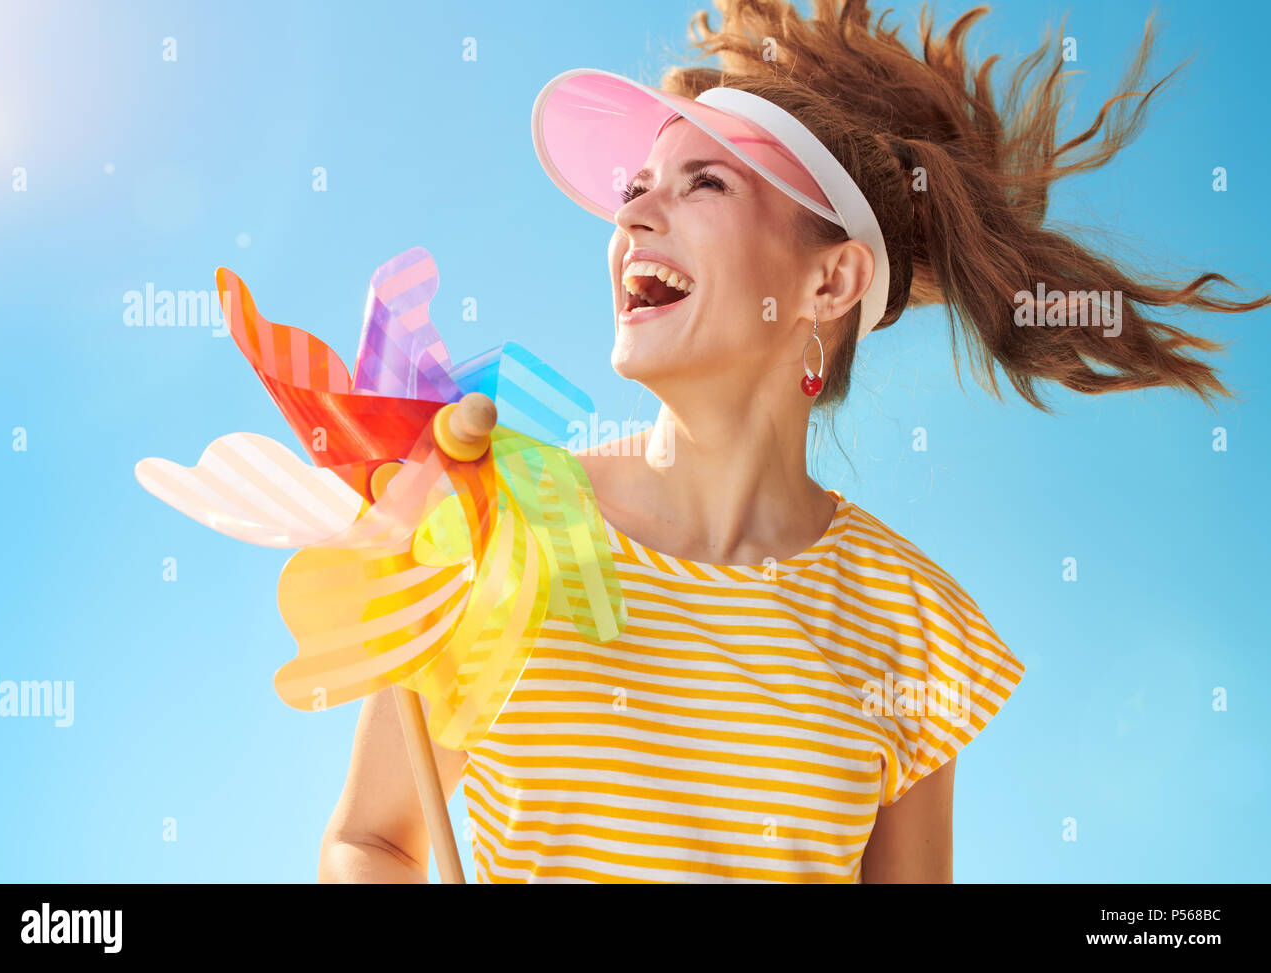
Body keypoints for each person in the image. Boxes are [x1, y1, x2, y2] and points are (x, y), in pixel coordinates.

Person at [317, 0, 1267, 883]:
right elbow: (372, 838)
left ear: (831, 281)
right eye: (638, 185)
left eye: (704, 183)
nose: (632, 213)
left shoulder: (914, 626)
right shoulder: (492, 522)